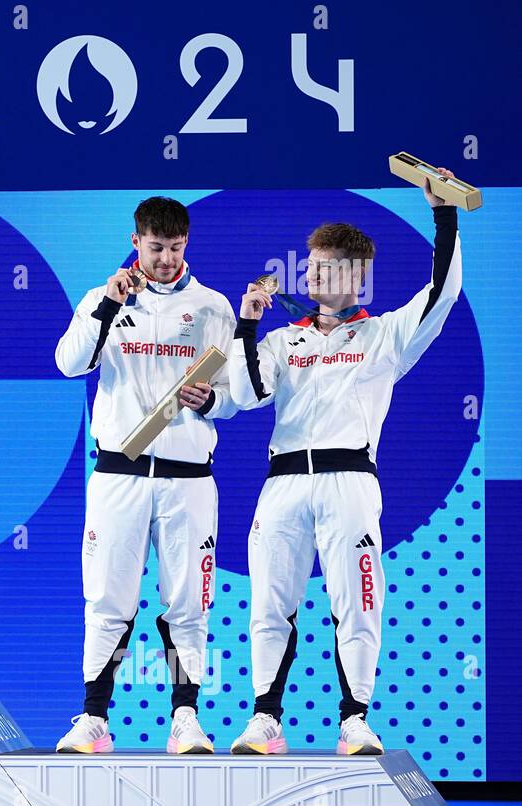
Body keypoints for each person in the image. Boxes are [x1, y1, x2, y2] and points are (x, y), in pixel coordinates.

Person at [227, 169, 463, 756]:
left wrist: (445, 214)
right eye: (306, 266)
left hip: (351, 481)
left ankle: (355, 718)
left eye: (320, 265)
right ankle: (264, 719)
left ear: (355, 275)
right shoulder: (283, 340)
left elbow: (442, 293)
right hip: (282, 482)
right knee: (268, 603)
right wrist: (247, 324)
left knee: (357, 601)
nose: (307, 274)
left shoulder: (385, 336)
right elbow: (247, 393)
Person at [53, 197, 237, 754]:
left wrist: (209, 401)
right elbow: (68, 363)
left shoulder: (213, 307)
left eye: (175, 248)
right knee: (108, 598)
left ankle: (185, 717)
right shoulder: (102, 300)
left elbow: (236, 398)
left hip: (189, 479)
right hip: (118, 474)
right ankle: (92, 718)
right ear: (136, 242)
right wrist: (107, 309)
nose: (164, 259)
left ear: (187, 244)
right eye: (155, 248)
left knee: (188, 602)